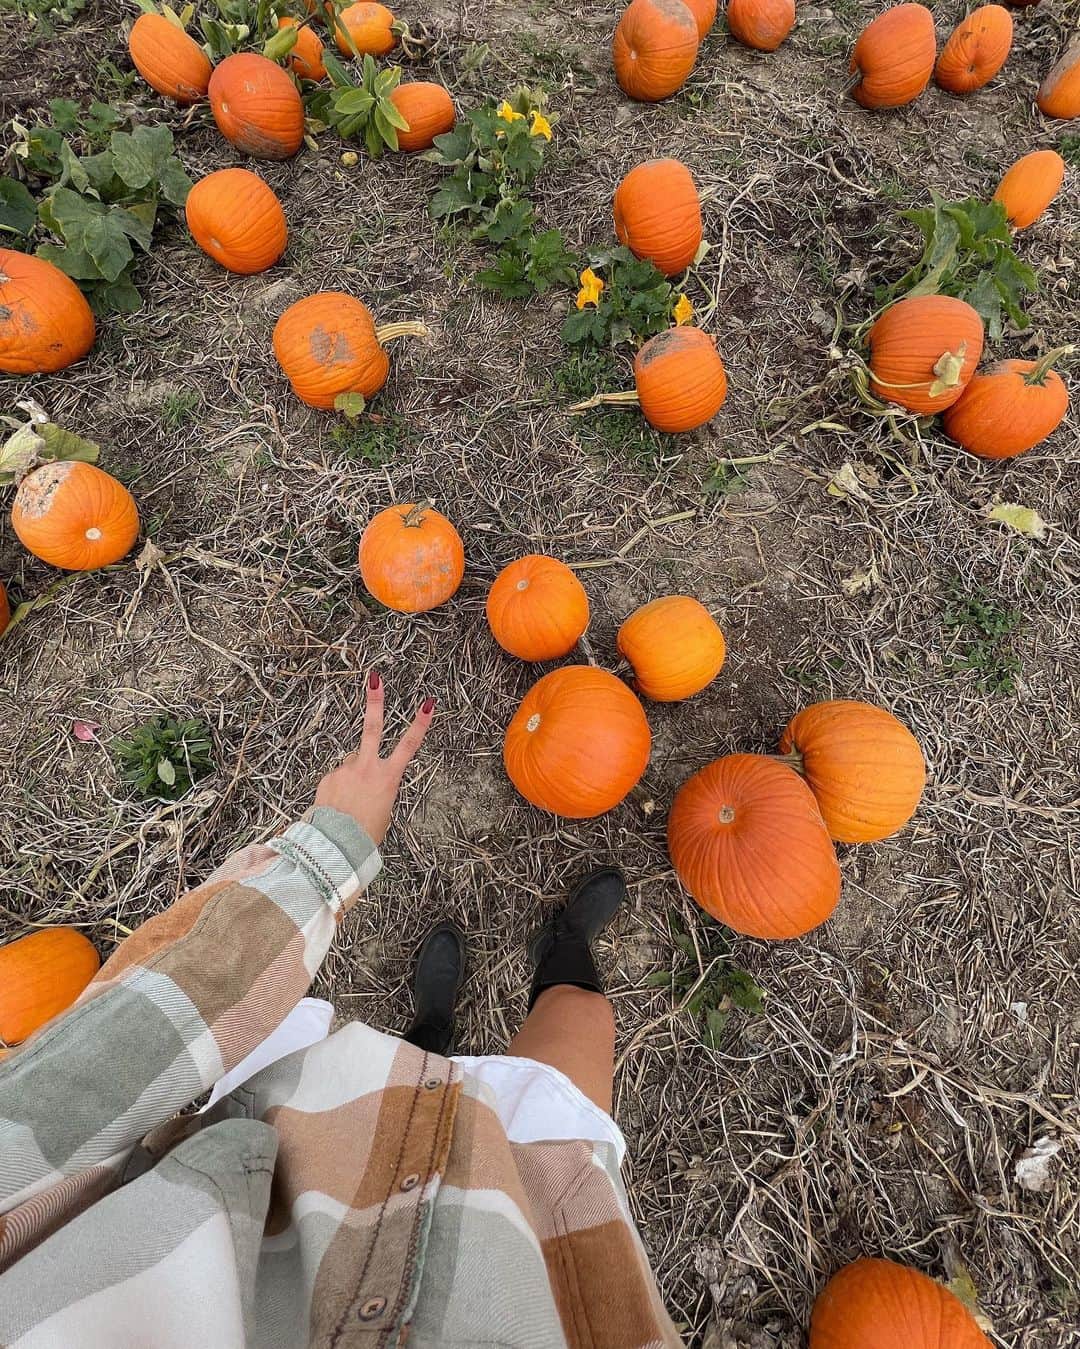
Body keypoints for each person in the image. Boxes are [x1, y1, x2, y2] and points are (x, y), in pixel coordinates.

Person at [0, 673, 682, 1348]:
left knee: (417, 1071)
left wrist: (326, 857)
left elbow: (71, 1096)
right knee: (585, 1020)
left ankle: (434, 1030)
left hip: (295, 1157)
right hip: (520, 1236)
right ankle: (548, 955)